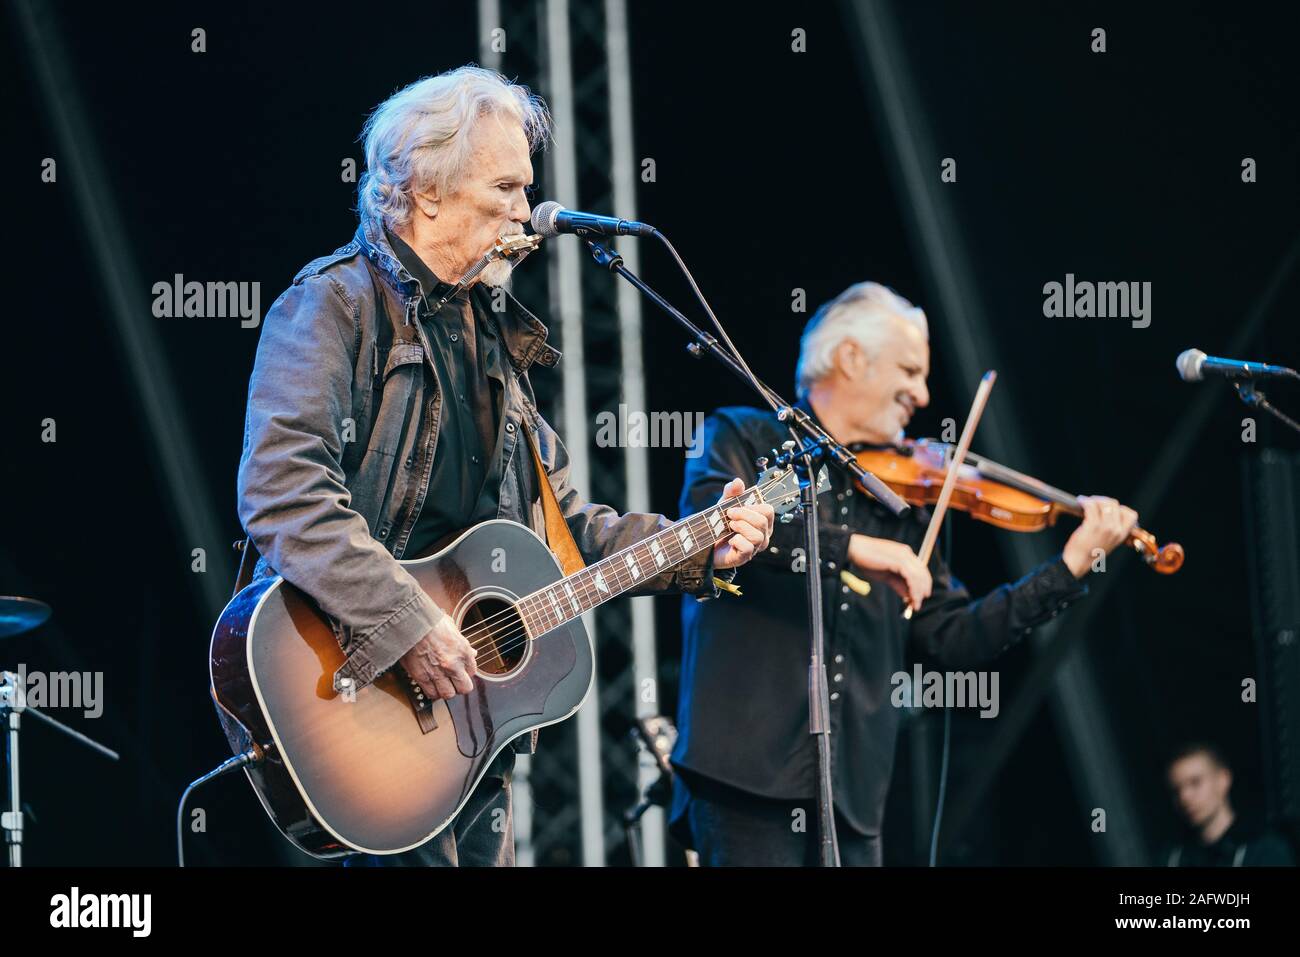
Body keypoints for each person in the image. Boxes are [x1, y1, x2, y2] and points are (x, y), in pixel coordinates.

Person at [235, 66, 773, 866]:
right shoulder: (333, 305)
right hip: (357, 694)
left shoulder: (493, 337)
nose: (528, 212)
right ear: (426, 191)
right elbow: (283, 491)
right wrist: (405, 622)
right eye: (507, 187)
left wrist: (700, 543)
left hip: (464, 727)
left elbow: (566, 525)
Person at [672, 281, 1139, 865]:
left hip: (852, 802)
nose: (922, 394)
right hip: (743, 779)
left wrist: (1069, 567)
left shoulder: (900, 500)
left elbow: (951, 636)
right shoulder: (742, 435)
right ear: (849, 358)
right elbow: (708, 529)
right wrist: (855, 548)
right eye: (910, 370)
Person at [1164, 742, 1295, 866]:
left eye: (1195, 782)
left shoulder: (1265, 851)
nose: (1184, 797)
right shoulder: (1173, 859)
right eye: (1176, 790)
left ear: (1223, 780)